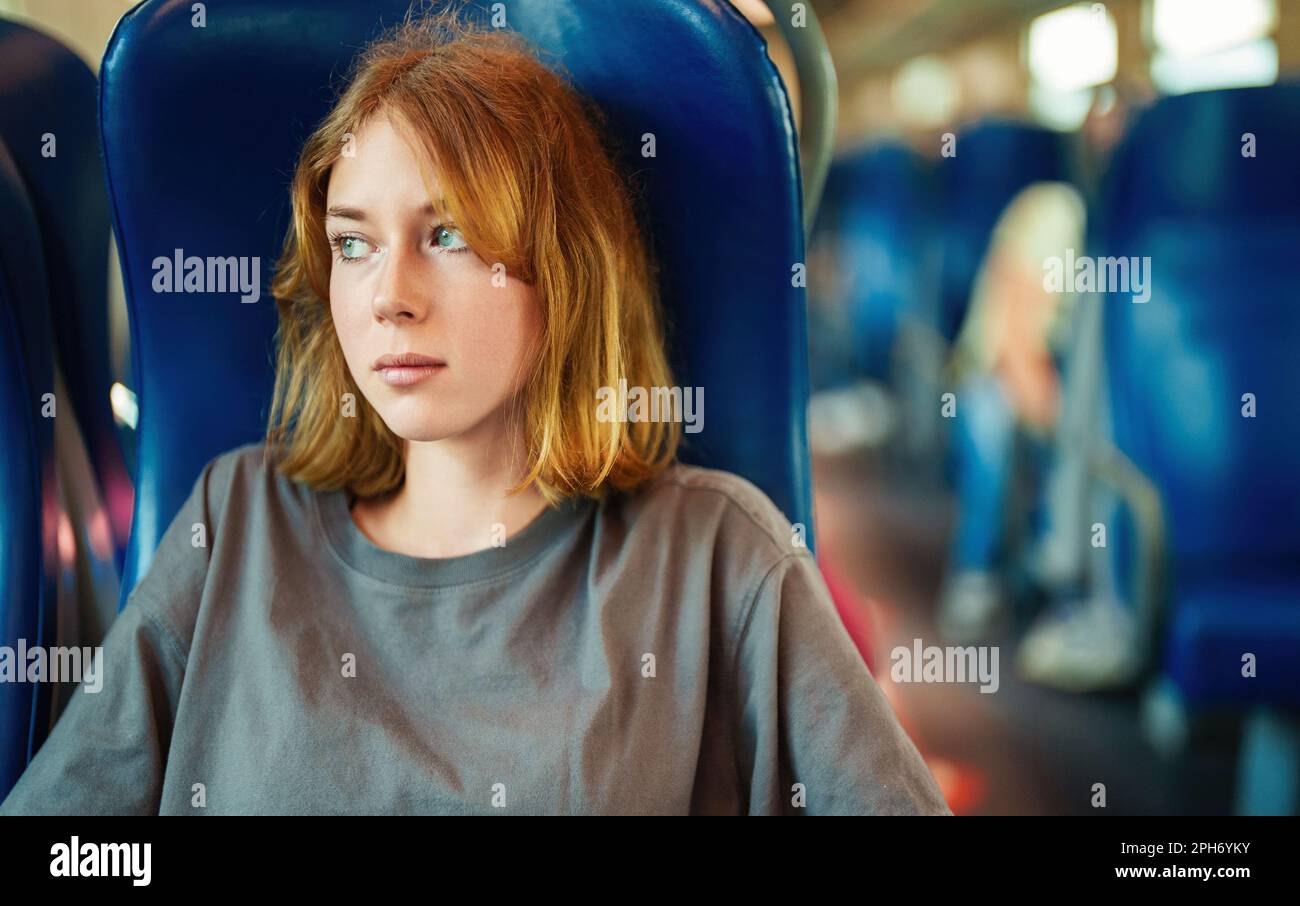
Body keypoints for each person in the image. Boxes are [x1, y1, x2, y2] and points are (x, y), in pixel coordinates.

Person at [1, 9, 949, 816]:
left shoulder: (719, 557)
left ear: (563, 268)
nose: (388, 298)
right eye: (355, 244)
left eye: (445, 234)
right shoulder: (232, 520)